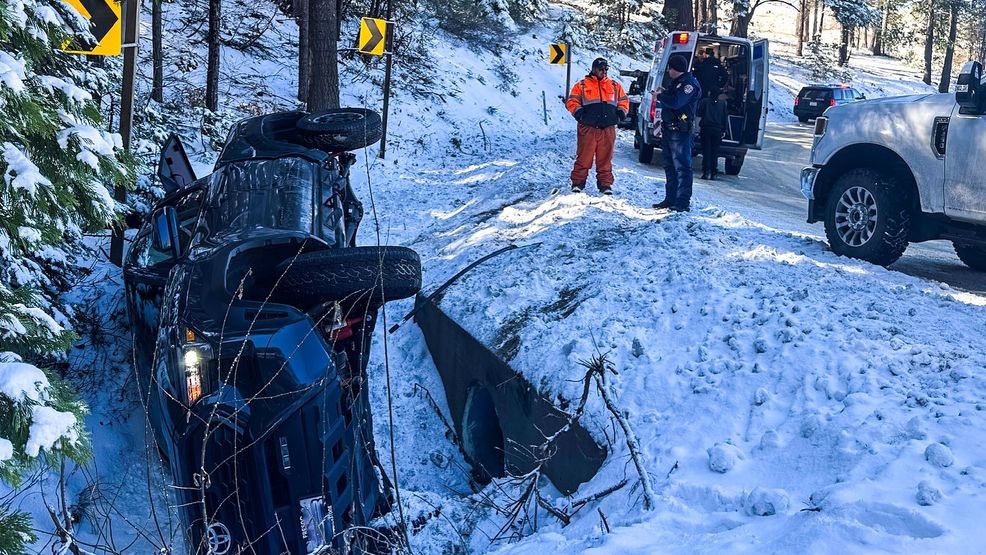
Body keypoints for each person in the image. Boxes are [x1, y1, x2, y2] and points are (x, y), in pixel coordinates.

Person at [566, 57, 630, 195]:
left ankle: (605, 185)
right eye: (601, 69)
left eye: (606, 69)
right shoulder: (582, 85)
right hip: (588, 128)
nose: (604, 71)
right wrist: (579, 114)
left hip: (608, 129)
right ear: (593, 69)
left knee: (605, 159)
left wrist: (621, 113)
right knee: (583, 158)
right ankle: (578, 183)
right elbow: (572, 101)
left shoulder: (614, 85)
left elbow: (624, 101)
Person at [653, 55, 702, 212]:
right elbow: (674, 97)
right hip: (669, 129)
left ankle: (682, 202)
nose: (668, 71)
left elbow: (676, 102)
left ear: (676, 69)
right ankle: (670, 198)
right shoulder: (678, 83)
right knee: (670, 166)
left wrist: (660, 96)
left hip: (680, 132)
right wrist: (665, 92)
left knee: (682, 167)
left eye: (670, 68)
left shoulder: (689, 84)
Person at [698, 88, 728, 180]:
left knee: (706, 151)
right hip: (717, 130)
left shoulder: (704, 102)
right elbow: (724, 118)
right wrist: (724, 130)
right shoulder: (723, 104)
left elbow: (699, 113)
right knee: (714, 152)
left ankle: (706, 171)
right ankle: (714, 172)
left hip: (706, 128)